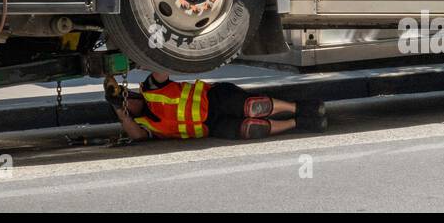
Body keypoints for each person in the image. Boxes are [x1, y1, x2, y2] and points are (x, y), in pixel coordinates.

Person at [104, 70, 326, 141]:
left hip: (215, 98)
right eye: (125, 105)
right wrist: (119, 111)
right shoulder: (142, 124)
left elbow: (159, 68)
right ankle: (298, 122)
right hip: (212, 126)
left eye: (126, 97)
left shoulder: (151, 89)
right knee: (251, 129)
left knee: (253, 107)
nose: (128, 102)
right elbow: (136, 136)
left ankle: (301, 108)